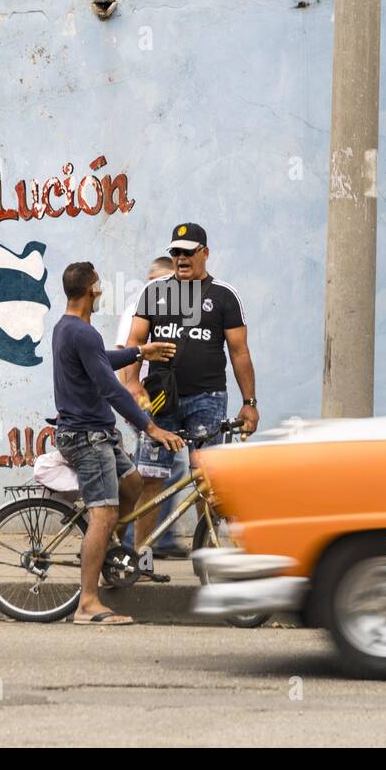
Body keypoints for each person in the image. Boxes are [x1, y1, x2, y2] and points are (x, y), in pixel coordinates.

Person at [51, 261, 184, 625]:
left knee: (134, 484)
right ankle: (87, 603)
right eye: (99, 284)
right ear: (93, 289)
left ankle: (111, 552)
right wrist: (150, 427)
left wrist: (141, 352)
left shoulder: (68, 328)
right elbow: (110, 386)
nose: (101, 289)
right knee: (104, 513)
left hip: (99, 432)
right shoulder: (82, 332)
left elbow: (99, 362)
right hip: (86, 436)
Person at [124, 223, 258, 552]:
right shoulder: (154, 293)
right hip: (160, 402)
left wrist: (249, 402)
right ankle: (142, 560)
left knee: (208, 480)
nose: (181, 258)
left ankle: (206, 559)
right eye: (176, 252)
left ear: (205, 254)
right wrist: (130, 384)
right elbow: (135, 342)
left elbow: (239, 352)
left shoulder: (224, 295)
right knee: (151, 479)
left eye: (188, 252)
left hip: (208, 399)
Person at [115, 256, 188, 556]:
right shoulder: (139, 308)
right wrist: (136, 396)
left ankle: (155, 537)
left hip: (158, 399)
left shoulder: (172, 307)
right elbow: (125, 352)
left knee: (163, 468)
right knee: (161, 470)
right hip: (145, 400)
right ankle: (139, 540)